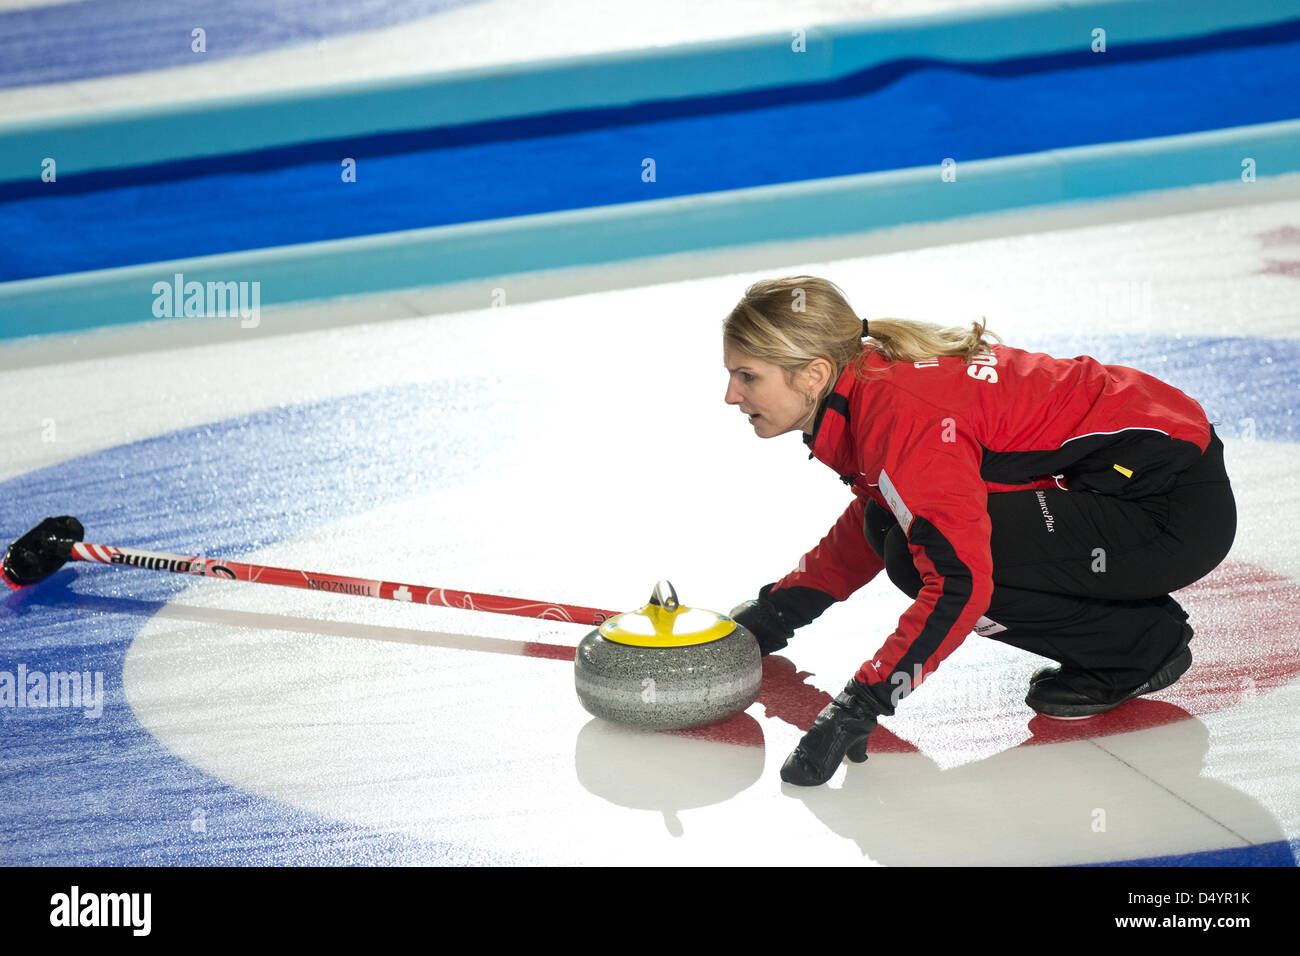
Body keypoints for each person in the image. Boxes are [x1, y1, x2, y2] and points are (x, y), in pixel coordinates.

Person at [725, 276, 1236, 787]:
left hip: (1170, 512)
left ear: (814, 374)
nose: (731, 395)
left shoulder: (901, 414)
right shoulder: (868, 379)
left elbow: (959, 584)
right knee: (896, 525)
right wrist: (780, 611)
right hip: (1135, 487)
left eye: (748, 376)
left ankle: (1137, 648)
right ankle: (1131, 625)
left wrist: (864, 700)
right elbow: (883, 508)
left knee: (927, 560)